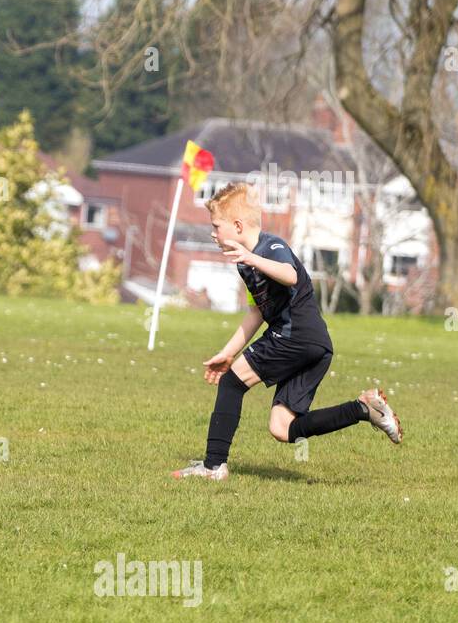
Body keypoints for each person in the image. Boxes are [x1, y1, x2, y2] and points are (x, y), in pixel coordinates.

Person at [172, 181, 403, 481]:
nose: (213, 233)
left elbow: (290, 275)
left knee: (232, 384)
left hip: (295, 338)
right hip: (315, 346)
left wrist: (251, 258)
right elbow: (257, 311)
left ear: (238, 226)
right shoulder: (247, 263)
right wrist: (228, 353)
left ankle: (214, 466)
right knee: (282, 428)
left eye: (216, 226)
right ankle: (362, 409)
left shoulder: (270, 247)